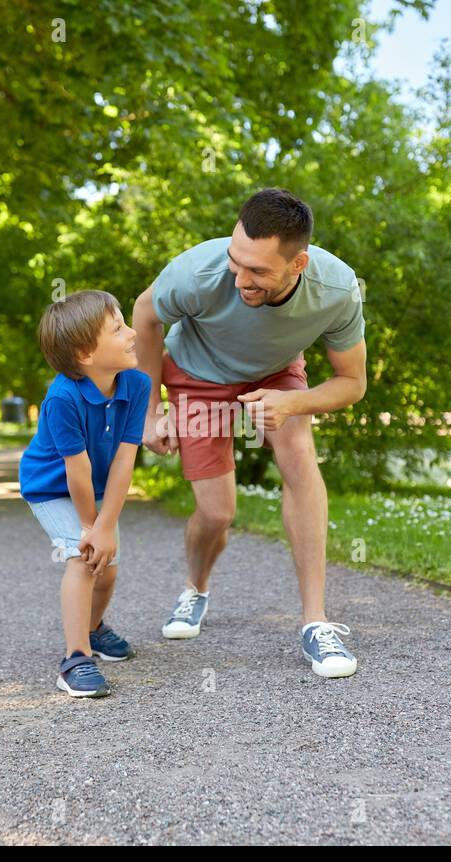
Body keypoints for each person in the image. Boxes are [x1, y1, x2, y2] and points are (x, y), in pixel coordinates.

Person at [132, 188, 367, 678]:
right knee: (217, 513)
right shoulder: (198, 271)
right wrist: (151, 410)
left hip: (277, 373)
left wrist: (293, 402)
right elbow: (145, 316)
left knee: (300, 455)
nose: (240, 278)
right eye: (236, 261)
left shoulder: (338, 290)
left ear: (298, 262)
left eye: (258, 271)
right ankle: (194, 589)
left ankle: (315, 624)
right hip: (197, 373)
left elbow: (352, 382)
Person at [18, 290, 151, 697]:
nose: (132, 333)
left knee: (107, 566)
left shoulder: (138, 385)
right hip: (52, 486)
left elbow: (124, 462)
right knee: (83, 553)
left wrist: (106, 526)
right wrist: (91, 527)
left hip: (95, 482)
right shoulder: (62, 398)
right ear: (85, 354)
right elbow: (77, 470)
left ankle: (93, 628)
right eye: (118, 328)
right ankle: (75, 658)